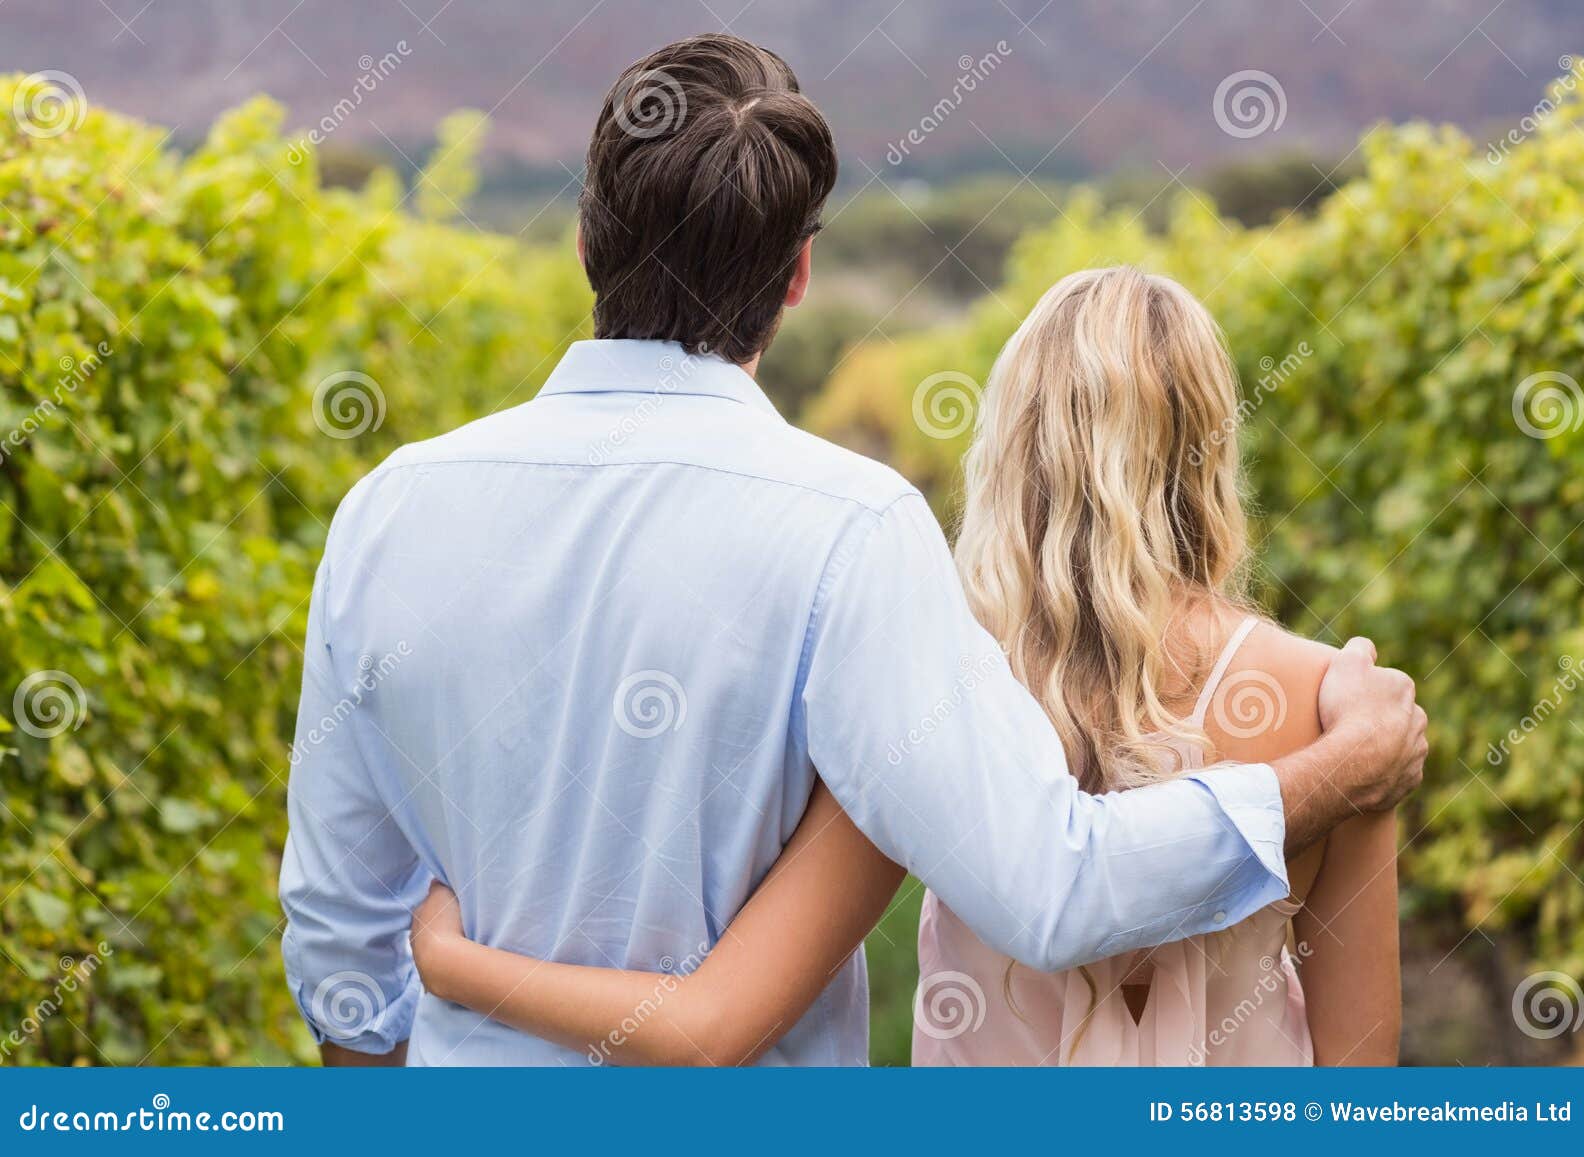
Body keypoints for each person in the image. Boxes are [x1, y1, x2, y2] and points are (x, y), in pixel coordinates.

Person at [281, 34, 1425, 1067]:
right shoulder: (850, 528)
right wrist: (1332, 774)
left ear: (586, 240)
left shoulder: (385, 510)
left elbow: (345, 944)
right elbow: (1049, 887)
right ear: (797, 277)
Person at [406, 268, 1405, 1067]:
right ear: (1210, 449)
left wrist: (452, 963)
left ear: (1009, 446)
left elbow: (710, 1022)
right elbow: (1360, 1076)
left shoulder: (930, 689)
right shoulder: (1341, 717)